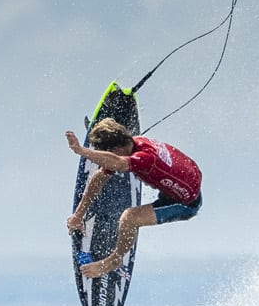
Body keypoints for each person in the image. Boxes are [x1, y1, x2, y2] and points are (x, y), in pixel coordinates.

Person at [65, 118, 203, 279]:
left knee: (129, 218)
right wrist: (78, 215)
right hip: (186, 178)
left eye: (107, 153)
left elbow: (118, 163)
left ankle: (114, 261)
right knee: (103, 173)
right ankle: (79, 216)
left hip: (185, 203)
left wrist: (81, 151)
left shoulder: (145, 159)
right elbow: (103, 172)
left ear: (117, 148)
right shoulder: (136, 142)